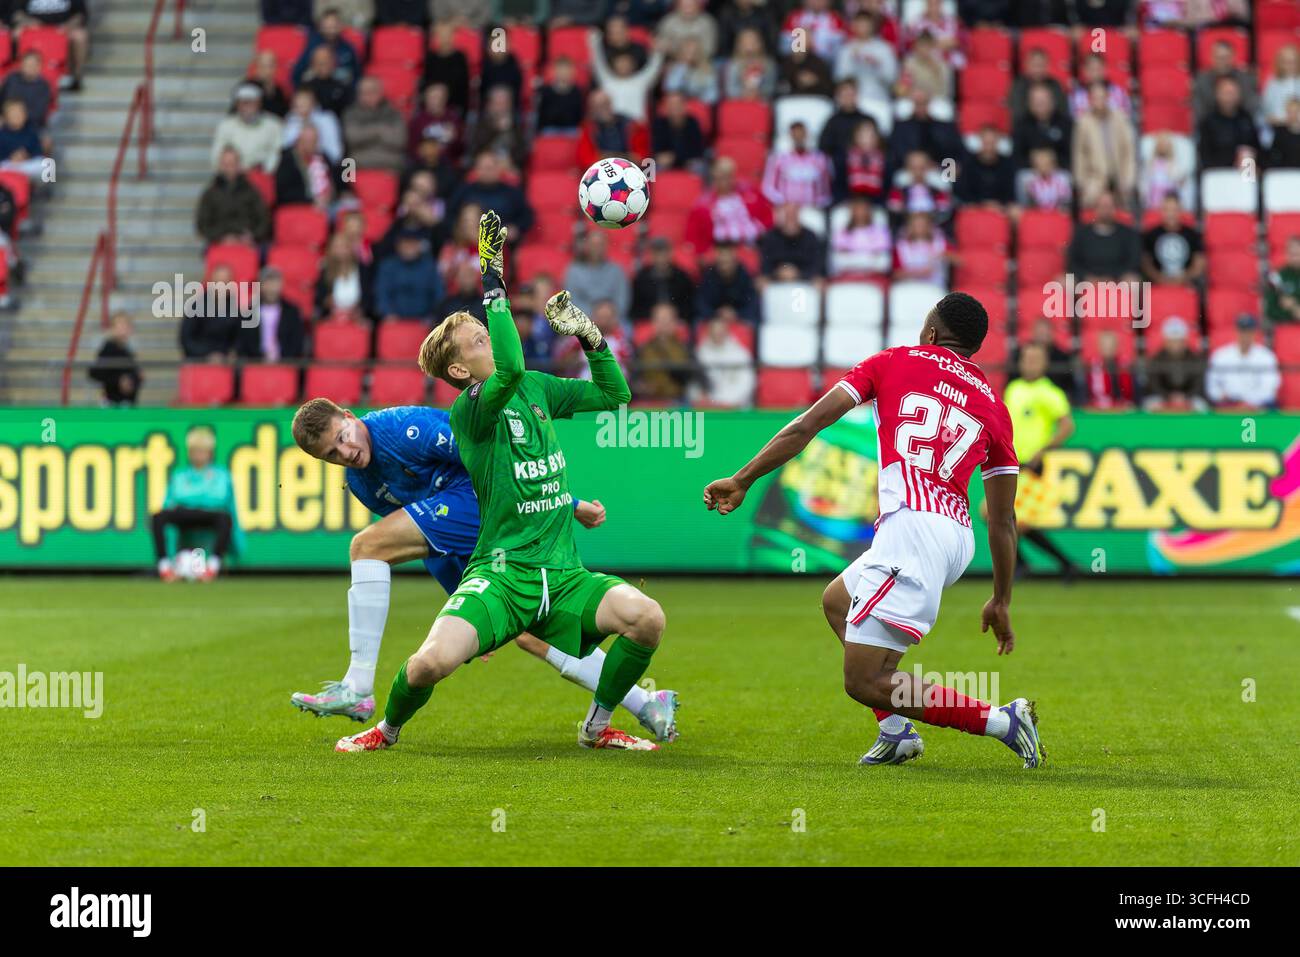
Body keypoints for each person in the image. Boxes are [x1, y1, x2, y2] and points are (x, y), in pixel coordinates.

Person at [335, 211, 670, 753]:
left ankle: (597, 724)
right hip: (502, 575)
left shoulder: (535, 386)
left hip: (563, 575)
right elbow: (509, 368)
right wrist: (492, 277)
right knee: (429, 664)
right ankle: (386, 728)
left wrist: (592, 339)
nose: (487, 337)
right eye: (476, 338)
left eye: (483, 332)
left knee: (647, 618)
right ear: (462, 371)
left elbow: (614, 396)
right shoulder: (472, 411)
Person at [703, 292, 1044, 769]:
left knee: (862, 681)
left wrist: (742, 479)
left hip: (912, 529)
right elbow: (1004, 519)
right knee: (837, 602)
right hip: (955, 536)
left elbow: (807, 426)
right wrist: (1001, 598)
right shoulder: (993, 403)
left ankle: (1003, 720)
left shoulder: (893, 362)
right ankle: (895, 731)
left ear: (930, 333)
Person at [288, 398, 680, 741]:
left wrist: (569, 502)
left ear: (349, 415)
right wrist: (462, 605)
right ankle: (647, 703)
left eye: (343, 437)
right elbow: (431, 545)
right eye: (332, 455)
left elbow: (497, 458)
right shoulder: (360, 482)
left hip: (483, 501)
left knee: (366, 545)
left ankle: (357, 686)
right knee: (528, 634)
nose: (346, 452)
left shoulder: (406, 429)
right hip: (474, 533)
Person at [1003, 342, 1077, 580]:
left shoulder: (1050, 393)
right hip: (1013, 462)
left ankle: (1022, 564)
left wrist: (1043, 450)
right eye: (1026, 358)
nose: (1030, 363)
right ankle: (1066, 564)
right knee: (1016, 521)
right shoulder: (1013, 389)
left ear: (1044, 364)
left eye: (1035, 359)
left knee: (995, 514)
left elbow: (1067, 426)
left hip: (1033, 464)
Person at [151, 426, 242, 583]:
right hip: (184, 513)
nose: (198, 455)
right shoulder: (180, 474)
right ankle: (165, 568)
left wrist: (192, 497)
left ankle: (212, 567)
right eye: (195, 451)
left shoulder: (220, 474)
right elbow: (173, 498)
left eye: (202, 451)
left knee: (225, 518)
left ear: (210, 453)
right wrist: (201, 496)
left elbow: (219, 498)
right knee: (158, 517)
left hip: (208, 515)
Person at [196, 147, 271, 246]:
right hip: (219, 243)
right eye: (225, 164)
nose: (229, 168)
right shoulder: (210, 194)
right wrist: (220, 238)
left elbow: (263, 220)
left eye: (232, 164)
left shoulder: (252, 191)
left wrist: (252, 236)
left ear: (239, 165)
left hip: (248, 242)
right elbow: (202, 224)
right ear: (220, 166)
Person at [1206, 315, 1281, 410]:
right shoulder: (1220, 355)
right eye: (1242, 331)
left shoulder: (1266, 356)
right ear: (1236, 332)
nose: (1245, 336)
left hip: (1259, 406)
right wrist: (1226, 398)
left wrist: (1249, 403)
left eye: (1249, 332)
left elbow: (1270, 388)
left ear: (1255, 333)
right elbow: (1213, 386)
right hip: (1229, 406)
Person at [211, 84, 283, 173]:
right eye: (244, 103)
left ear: (259, 103)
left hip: (262, 177)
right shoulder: (225, 126)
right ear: (237, 105)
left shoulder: (273, 125)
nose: (247, 107)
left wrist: (265, 170)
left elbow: (277, 152)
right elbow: (216, 155)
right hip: (233, 176)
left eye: (251, 102)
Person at [1143, 316, 1207, 411]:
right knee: (1149, 404)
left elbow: (1198, 385)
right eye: (1172, 341)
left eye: (1178, 341)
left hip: (1189, 398)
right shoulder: (1156, 359)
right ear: (1166, 341)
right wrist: (1169, 396)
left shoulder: (1195, 359)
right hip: (1163, 398)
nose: (1175, 345)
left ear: (1185, 341)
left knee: (1201, 405)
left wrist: (1185, 397)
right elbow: (1153, 385)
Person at [1141, 193, 1205, 286]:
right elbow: (1145, 263)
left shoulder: (1192, 234)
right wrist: (1159, 278)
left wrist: (1185, 277)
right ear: (1161, 211)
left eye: (1174, 210)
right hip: (1157, 282)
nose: (1170, 214)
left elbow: (1200, 263)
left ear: (1181, 211)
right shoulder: (1151, 234)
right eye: (1166, 210)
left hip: (1187, 282)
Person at [88, 311, 142, 406]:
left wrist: (136, 378)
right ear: (112, 329)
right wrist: (118, 381)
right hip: (113, 403)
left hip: (126, 403)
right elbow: (94, 372)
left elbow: (132, 375)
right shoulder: (109, 348)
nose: (124, 329)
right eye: (120, 325)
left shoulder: (127, 350)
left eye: (126, 325)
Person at [1266, 236, 1300, 325]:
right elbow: (1270, 310)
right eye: (1292, 254)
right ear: (1286, 254)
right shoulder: (1276, 277)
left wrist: (1294, 306)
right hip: (1284, 328)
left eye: (1298, 254)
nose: (1295, 258)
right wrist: (1292, 314)